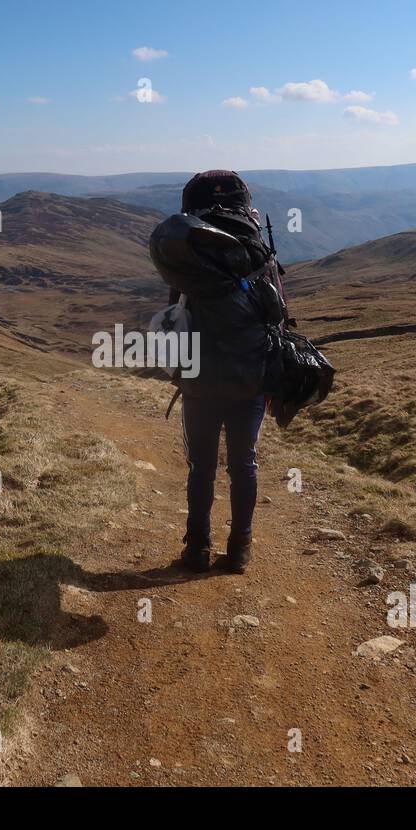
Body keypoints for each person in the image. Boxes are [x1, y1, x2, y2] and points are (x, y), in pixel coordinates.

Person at [167, 170, 283, 574]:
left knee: (202, 466)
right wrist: (272, 380)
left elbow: (174, 317)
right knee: (243, 463)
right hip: (250, 376)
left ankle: (197, 548)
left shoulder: (186, 254)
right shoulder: (258, 251)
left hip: (199, 378)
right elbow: (278, 317)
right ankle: (240, 549)